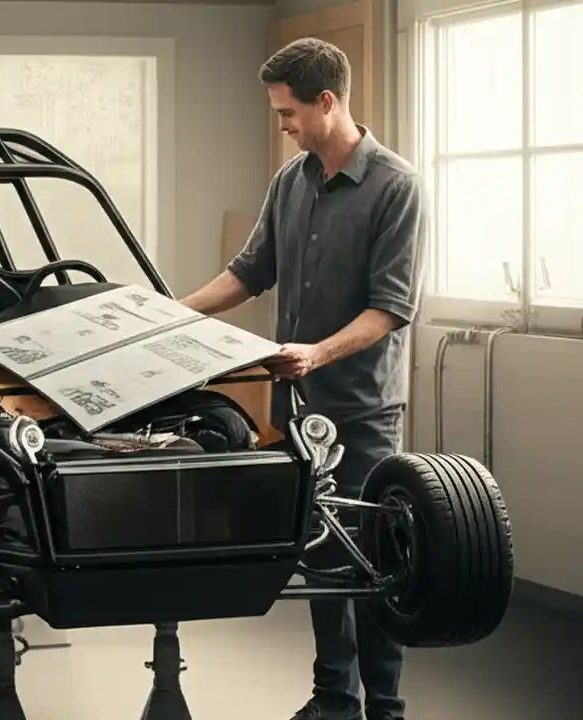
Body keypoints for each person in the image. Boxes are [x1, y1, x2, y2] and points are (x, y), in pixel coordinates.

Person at [178, 37, 425, 720]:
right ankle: (333, 701)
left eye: (288, 113)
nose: (282, 125)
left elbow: (390, 308)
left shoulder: (396, 187)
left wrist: (317, 353)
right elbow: (249, 271)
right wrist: (175, 311)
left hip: (364, 410)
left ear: (326, 102)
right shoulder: (290, 181)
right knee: (320, 554)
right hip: (298, 404)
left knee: (373, 559)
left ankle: (386, 708)